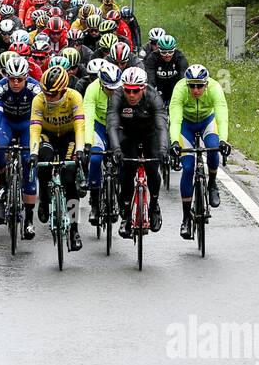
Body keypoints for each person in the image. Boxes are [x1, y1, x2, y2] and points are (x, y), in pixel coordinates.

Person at [168, 64, 230, 239]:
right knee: (187, 168)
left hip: (207, 121)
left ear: (206, 84)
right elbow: (175, 119)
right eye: (192, 86)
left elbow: (222, 117)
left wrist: (224, 140)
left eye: (199, 86)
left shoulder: (216, 88)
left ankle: (212, 184)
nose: (195, 90)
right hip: (185, 125)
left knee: (213, 148)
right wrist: (174, 142)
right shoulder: (180, 88)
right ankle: (186, 218)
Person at [29, 65, 86, 252]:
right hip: (47, 135)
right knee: (43, 166)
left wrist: (80, 150)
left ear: (63, 90)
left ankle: (74, 230)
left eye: (52, 94)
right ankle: (44, 199)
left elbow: (80, 127)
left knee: (69, 178)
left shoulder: (74, 97)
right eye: (45, 92)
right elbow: (35, 128)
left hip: (69, 136)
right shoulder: (38, 100)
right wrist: (33, 154)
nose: (47, 96)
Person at [107, 67, 165, 236]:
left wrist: (163, 150)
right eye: (128, 90)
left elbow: (162, 127)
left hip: (150, 134)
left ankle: (154, 206)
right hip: (128, 134)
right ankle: (125, 214)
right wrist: (116, 149)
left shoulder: (153, 97)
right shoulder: (117, 96)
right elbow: (112, 125)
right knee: (127, 170)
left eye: (135, 91)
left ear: (144, 88)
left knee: (153, 170)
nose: (131, 95)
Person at [0, 54, 41, 238]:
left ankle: (28, 219)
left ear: (26, 77)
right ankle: (2, 186)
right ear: (7, 77)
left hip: (28, 125)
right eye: (12, 79)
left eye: (20, 79)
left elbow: (39, 115)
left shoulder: (35, 88)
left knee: (29, 164)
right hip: (7, 123)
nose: (16, 83)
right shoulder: (0, 87)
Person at [82, 61, 121, 226]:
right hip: (98, 126)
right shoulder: (92, 89)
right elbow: (88, 119)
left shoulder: (124, 89)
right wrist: (88, 143)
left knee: (123, 160)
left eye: (115, 88)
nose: (112, 91)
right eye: (108, 88)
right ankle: (95, 203)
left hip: (118, 126)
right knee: (96, 159)